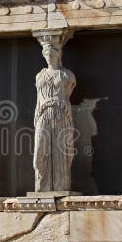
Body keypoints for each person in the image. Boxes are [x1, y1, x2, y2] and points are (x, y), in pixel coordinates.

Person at [33, 37, 76, 192]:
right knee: (39, 152)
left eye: (51, 54)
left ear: (58, 55)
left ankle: (60, 186)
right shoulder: (40, 76)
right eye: (46, 54)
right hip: (43, 114)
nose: (48, 57)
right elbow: (39, 98)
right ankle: (42, 185)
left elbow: (68, 93)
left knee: (60, 151)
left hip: (60, 113)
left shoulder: (67, 76)